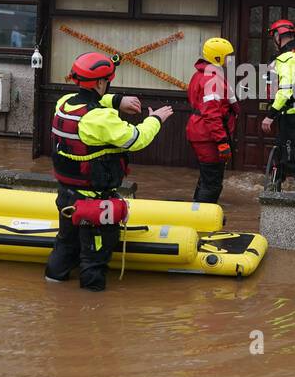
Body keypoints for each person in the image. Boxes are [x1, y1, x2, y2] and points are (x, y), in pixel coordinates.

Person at [45, 52, 174, 292]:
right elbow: (136, 139)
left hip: (67, 196)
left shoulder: (64, 103)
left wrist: (117, 101)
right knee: (94, 260)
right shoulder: (99, 119)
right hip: (95, 205)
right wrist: (155, 119)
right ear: (100, 83)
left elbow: (91, 102)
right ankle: (91, 313)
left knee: (65, 246)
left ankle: (53, 292)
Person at [260, 18, 295, 191]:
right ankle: (278, 182)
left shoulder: (286, 59)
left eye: (274, 37)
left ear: (278, 36)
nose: (273, 41)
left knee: (293, 157)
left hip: (294, 115)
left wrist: (270, 116)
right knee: (284, 148)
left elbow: (285, 91)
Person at [187, 37, 240, 204]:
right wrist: (222, 142)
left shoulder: (201, 74)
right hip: (207, 135)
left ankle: (195, 214)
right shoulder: (212, 79)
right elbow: (211, 113)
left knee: (206, 178)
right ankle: (202, 222)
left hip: (201, 132)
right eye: (227, 56)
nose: (230, 60)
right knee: (212, 182)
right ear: (218, 58)